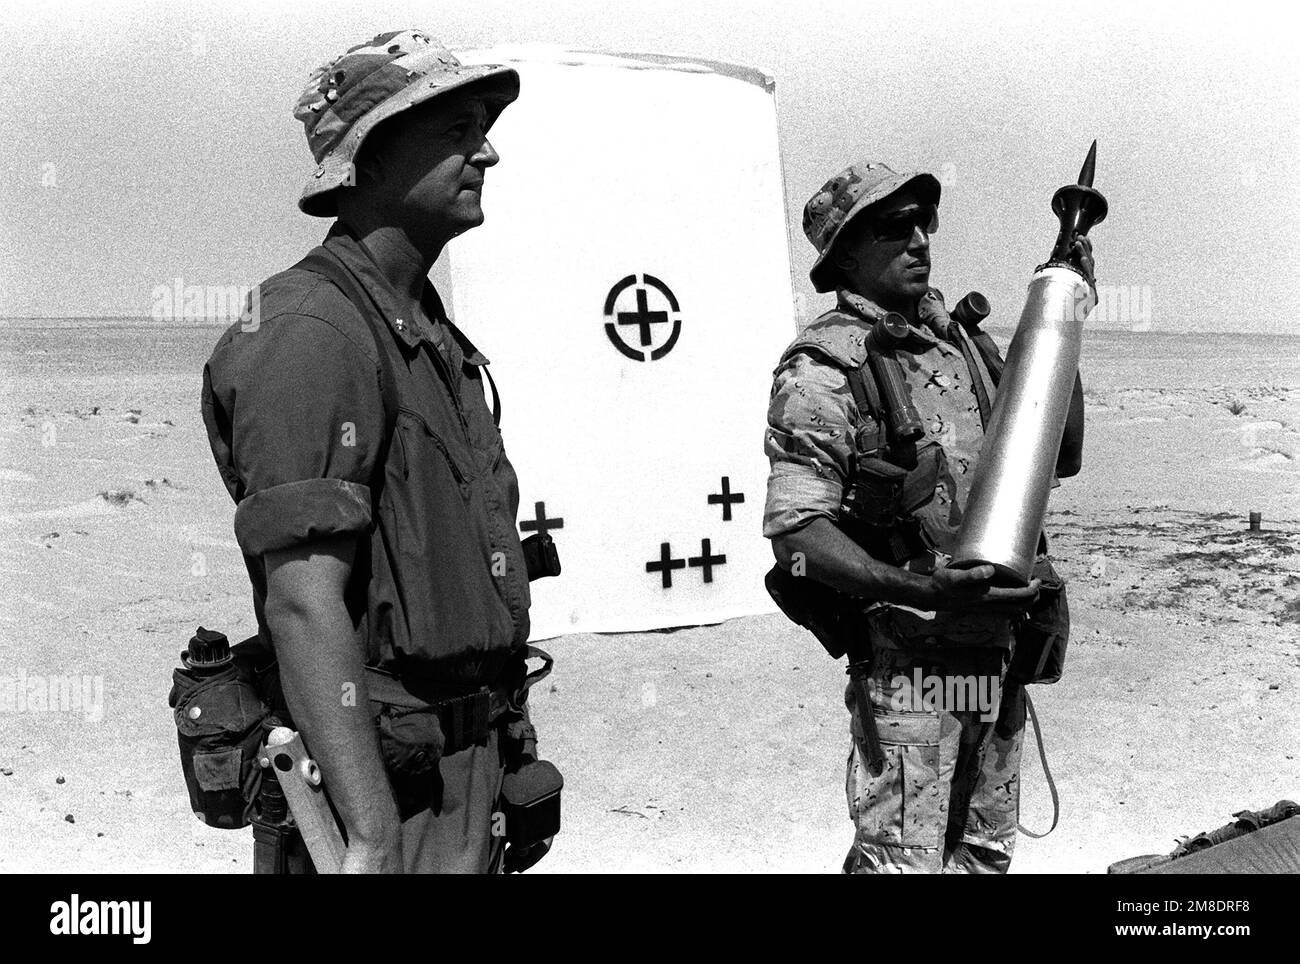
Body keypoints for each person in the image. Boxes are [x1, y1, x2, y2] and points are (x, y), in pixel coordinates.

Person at [201, 29, 551, 874]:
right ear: (373, 154)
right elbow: (302, 601)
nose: (489, 152)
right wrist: (370, 835)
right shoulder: (310, 331)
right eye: (459, 130)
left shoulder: (427, 332)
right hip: (385, 794)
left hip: (464, 772)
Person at [763, 160, 1087, 873]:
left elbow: (1060, 451)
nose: (918, 239)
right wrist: (922, 590)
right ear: (845, 251)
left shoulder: (961, 342)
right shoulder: (826, 365)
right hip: (909, 669)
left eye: (924, 221)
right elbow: (796, 536)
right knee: (902, 865)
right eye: (893, 226)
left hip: (995, 657)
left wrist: (1062, 312)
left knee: (979, 857)